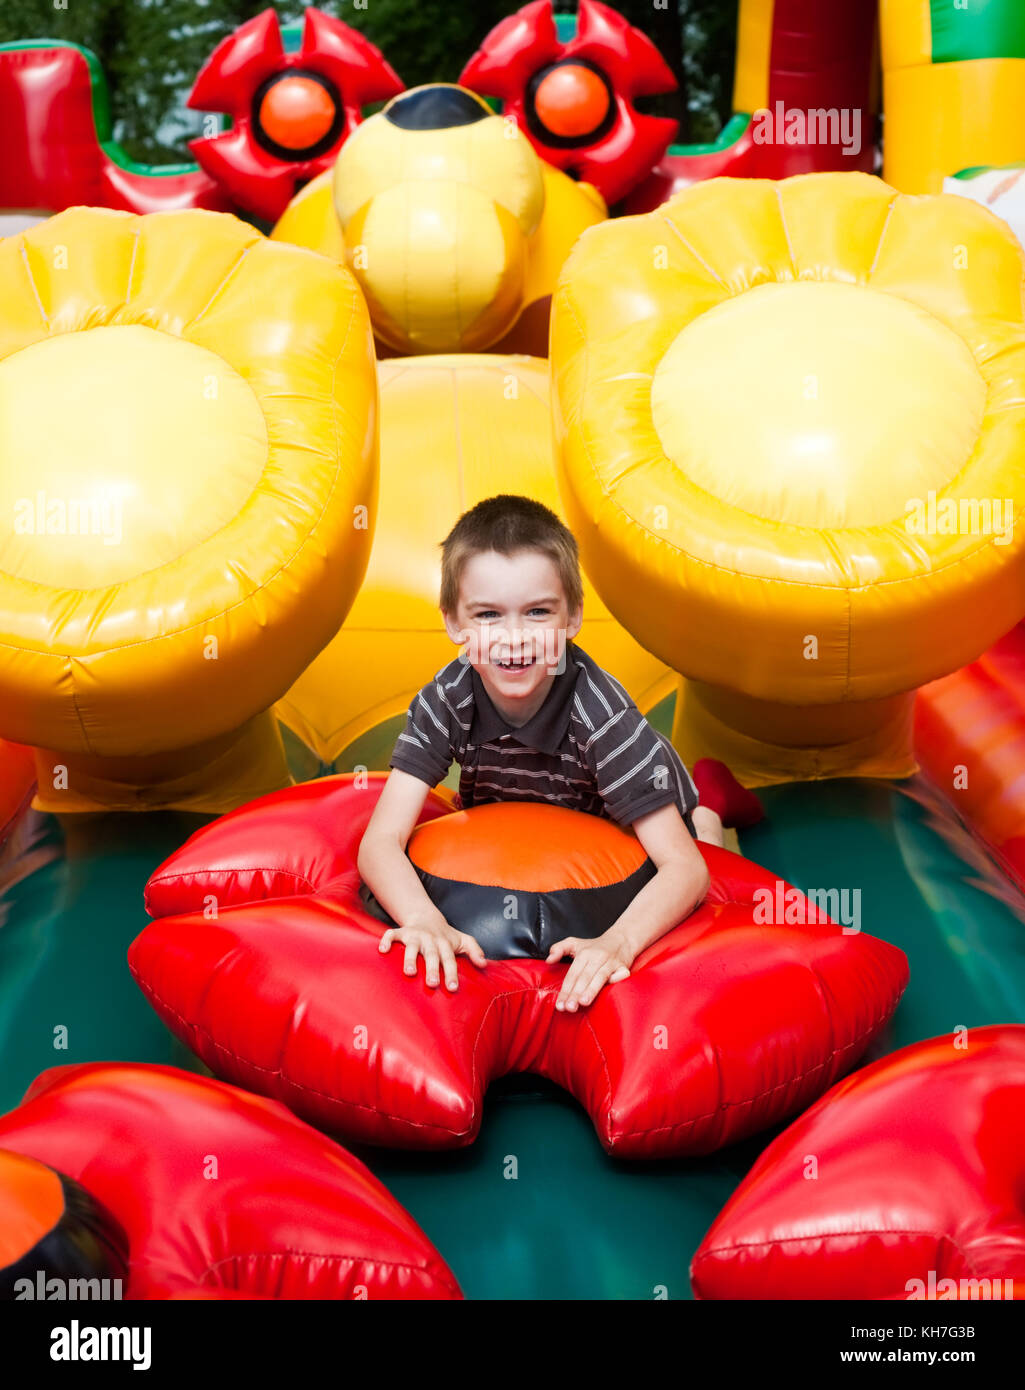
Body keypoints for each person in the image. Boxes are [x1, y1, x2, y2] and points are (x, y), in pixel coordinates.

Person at [357, 495, 763, 1012]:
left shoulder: (602, 717)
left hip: (634, 801)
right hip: (529, 824)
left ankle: (708, 802)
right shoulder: (446, 698)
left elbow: (685, 871)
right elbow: (379, 842)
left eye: (537, 612)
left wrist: (616, 943)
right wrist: (423, 920)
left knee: (708, 850)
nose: (514, 639)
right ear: (454, 624)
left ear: (572, 617)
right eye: (487, 615)